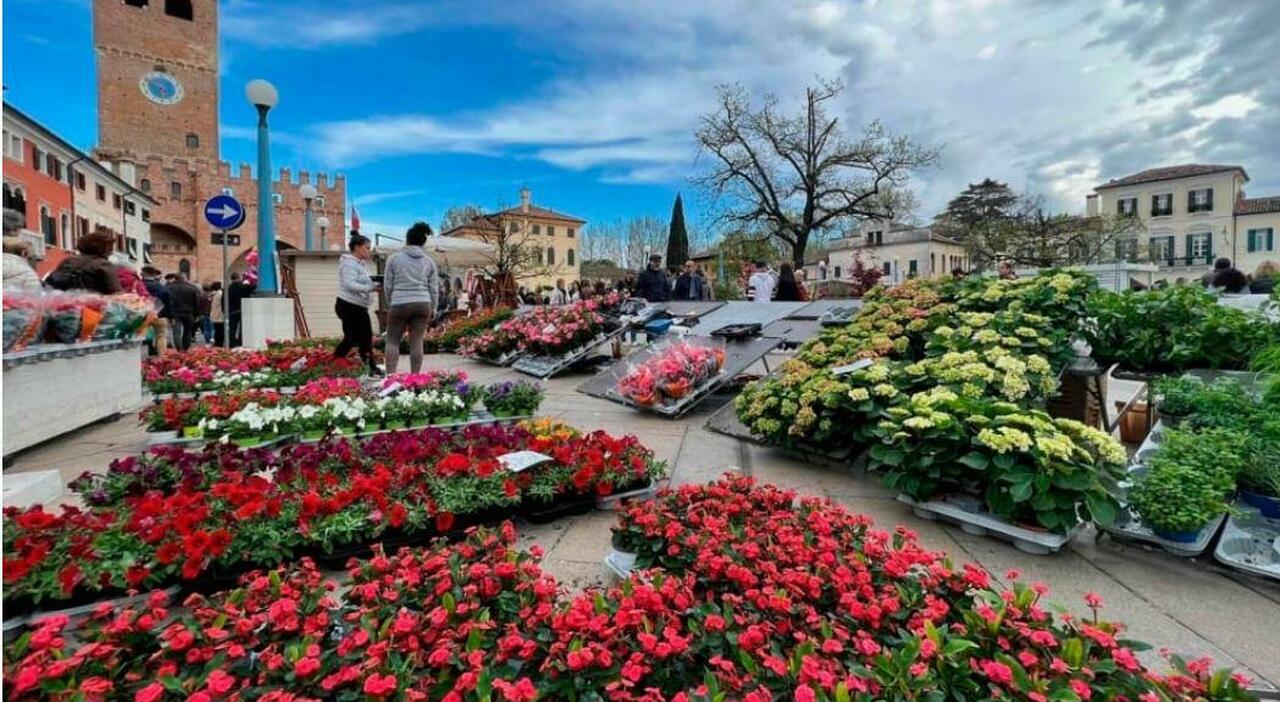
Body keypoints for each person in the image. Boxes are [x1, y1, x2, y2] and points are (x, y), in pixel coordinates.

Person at [383, 222, 439, 374]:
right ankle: (415, 379)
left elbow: (387, 285)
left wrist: (391, 302)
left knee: (393, 341)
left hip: (399, 302)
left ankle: (391, 378)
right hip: (423, 303)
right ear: (423, 242)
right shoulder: (430, 262)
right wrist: (433, 307)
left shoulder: (393, 259)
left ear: (407, 240)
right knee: (417, 341)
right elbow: (434, 289)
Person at [333, 232, 380, 374]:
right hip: (349, 305)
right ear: (357, 247)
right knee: (359, 336)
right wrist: (370, 288)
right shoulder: (348, 264)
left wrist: (375, 283)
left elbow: (361, 281)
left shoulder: (360, 264)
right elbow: (349, 284)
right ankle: (368, 367)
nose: (369, 250)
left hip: (357, 306)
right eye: (367, 247)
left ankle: (339, 361)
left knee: (357, 337)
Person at [45, 231, 121, 295]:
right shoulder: (104, 265)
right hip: (92, 307)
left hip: (64, 304)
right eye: (110, 248)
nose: (111, 252)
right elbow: (115, 292)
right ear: (102, 248)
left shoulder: (68, 261)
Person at [166, 272, 201, 351]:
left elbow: (167, 301)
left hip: (175, 313)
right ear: (185, 278)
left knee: (176, 332)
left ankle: (179, 348)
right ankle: (185, 347)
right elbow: (196, 302)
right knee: (187, 330)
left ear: (175, 278)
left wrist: (169, 314)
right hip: (188, 312)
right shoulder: (192, 288)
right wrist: (197, 314)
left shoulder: (169, 287)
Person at [141, 266, 171, 355]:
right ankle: (162, 356)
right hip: (159, 314)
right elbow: (167, 300)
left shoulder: (139, 284)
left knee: (139, 336)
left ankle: (138, 358)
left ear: (144, 274)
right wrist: (169, 315)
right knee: (161, 335)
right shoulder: (160, 286)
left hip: (143, 314)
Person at [227, 273, 252, 347]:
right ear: (239, 277)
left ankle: (232, 343)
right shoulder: (243, 287)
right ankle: (240, 342)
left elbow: (224, 300)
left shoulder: (228, 288)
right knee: (242, 328)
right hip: (242, 309)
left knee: (232, 328)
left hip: (232, 311)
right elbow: (252, 288)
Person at [208, 281, 226, 347]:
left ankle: (217, 343)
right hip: (220, 315)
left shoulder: (212, 294)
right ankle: (219, 344)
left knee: (217, 330)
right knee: (220, 331)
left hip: (214, 315)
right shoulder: (220, 294)